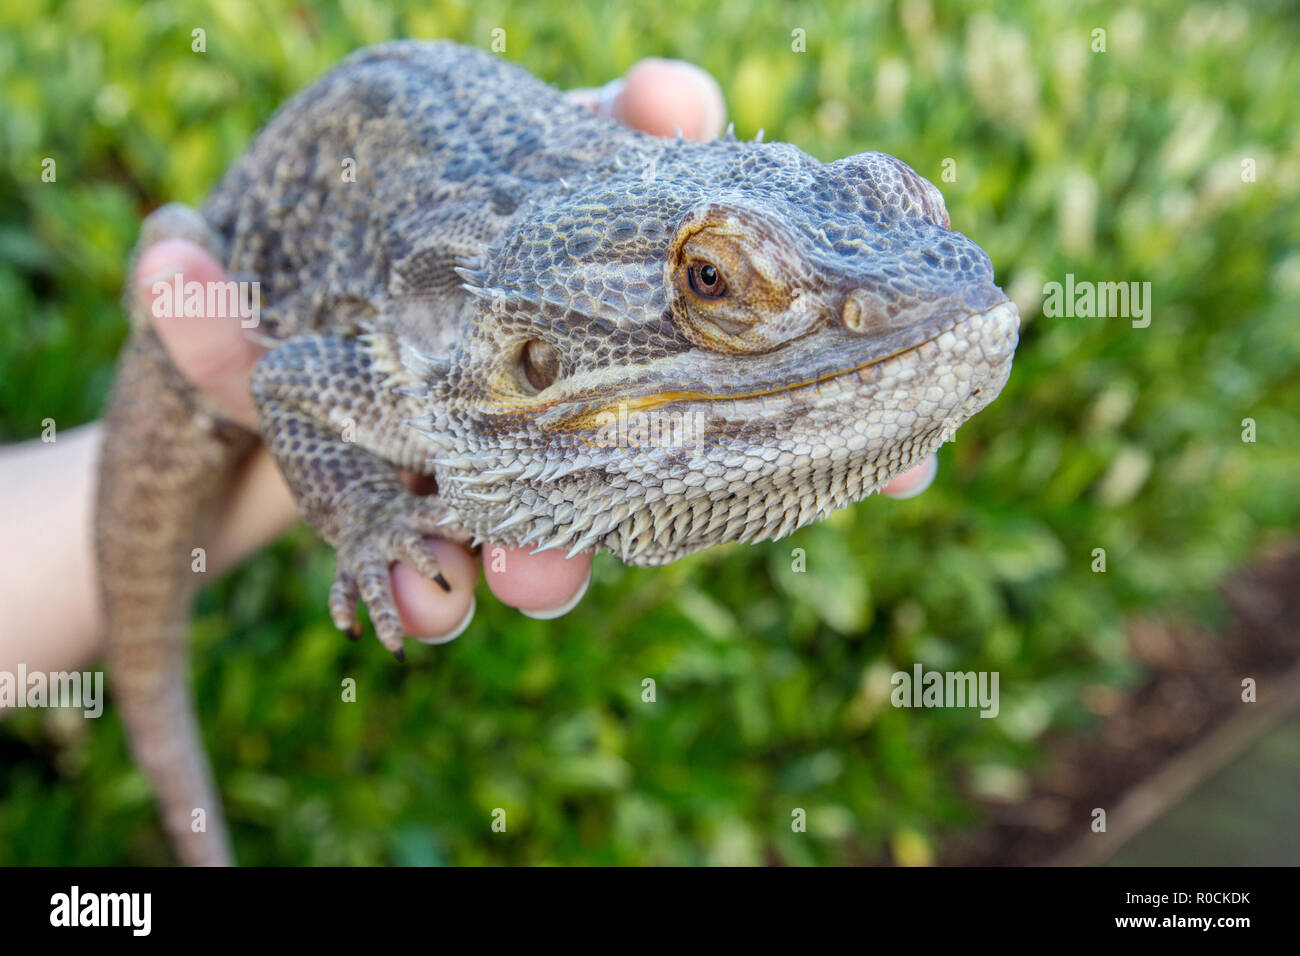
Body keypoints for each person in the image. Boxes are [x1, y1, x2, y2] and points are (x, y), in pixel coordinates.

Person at [0, 59, 935, 677]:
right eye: (711, 280)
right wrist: (367, 512)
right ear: (533, 357)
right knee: (179, 248)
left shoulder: (521, 317)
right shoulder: (474, 347)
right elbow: (288, 382)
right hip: (256, 261)